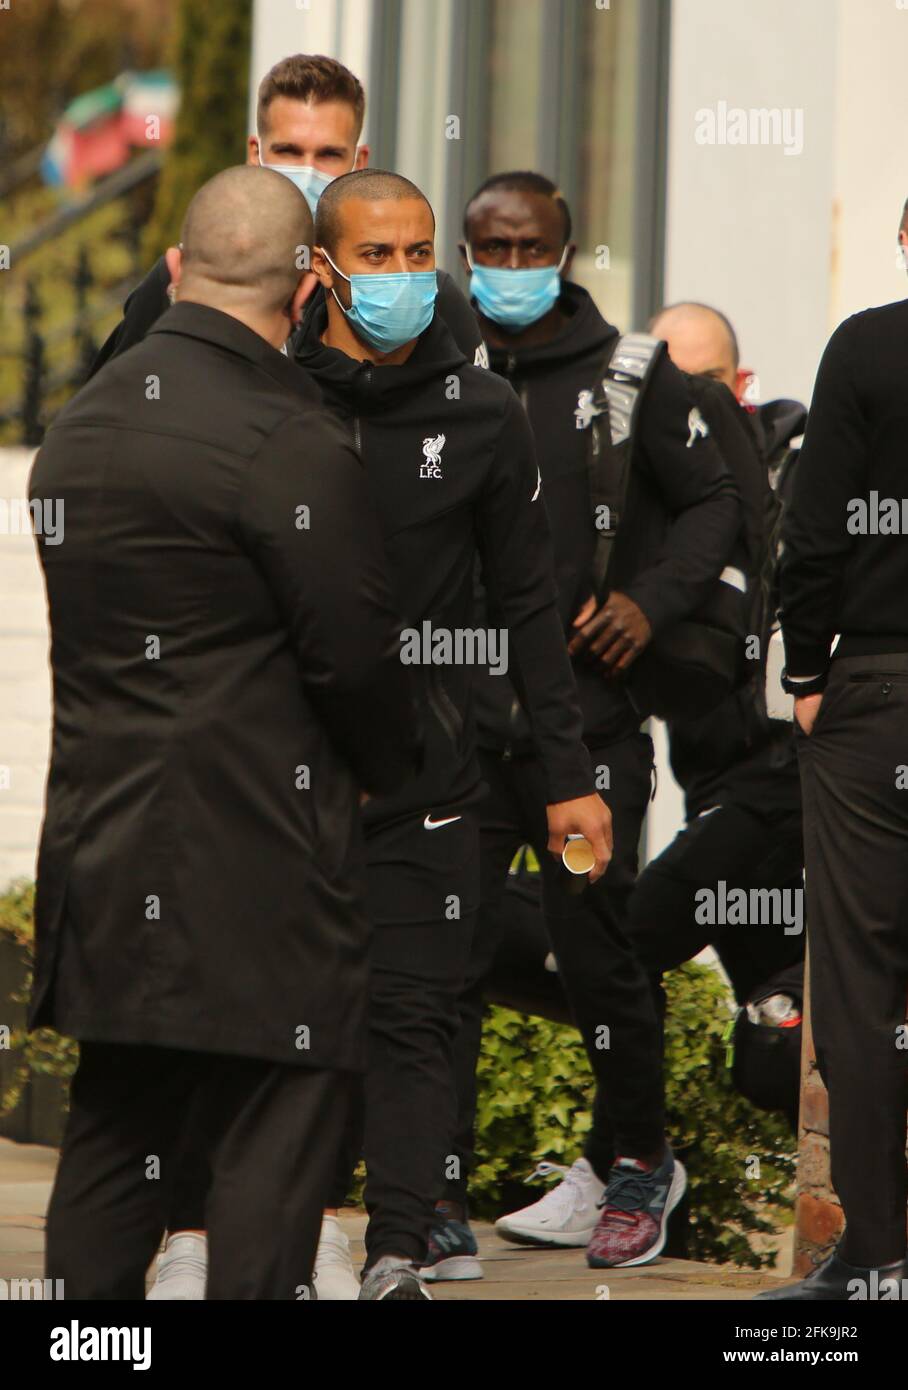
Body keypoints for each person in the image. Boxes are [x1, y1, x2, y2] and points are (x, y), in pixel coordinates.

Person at [27, 164, 420, 1300]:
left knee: (113, 1131)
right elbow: (354, 657)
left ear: (174, 270)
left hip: (104, 844)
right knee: (277, 1128)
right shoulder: (292, 438)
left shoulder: (82, 424)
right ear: (307, 289)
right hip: (263, 857)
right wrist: (387, 776)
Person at [443, 173, 741, 1273]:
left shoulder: (631, 376)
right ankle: (430, 1191)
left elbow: (719, 496)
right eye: (487, 247)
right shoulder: (438, 361)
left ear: (564, 250)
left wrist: (646, 602)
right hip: (464, 733)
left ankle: (637, 1163)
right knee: (448, 956)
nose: (507, 266)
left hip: (591, 733)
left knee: (597, 956)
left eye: (528, 247)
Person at [758, 291, 908, 1300]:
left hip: (877, 689)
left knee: (858, 987)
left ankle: (878, 1254)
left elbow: (812, 532)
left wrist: (803, 672)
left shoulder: (867, 344)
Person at [90, 52, 484, 376]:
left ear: (359, 162)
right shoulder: (186, 280)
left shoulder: (415, 294)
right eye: (289, 152)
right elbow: (110, 415)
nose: (308, 171)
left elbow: (480, 421)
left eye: (328, 154)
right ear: (254, 154)